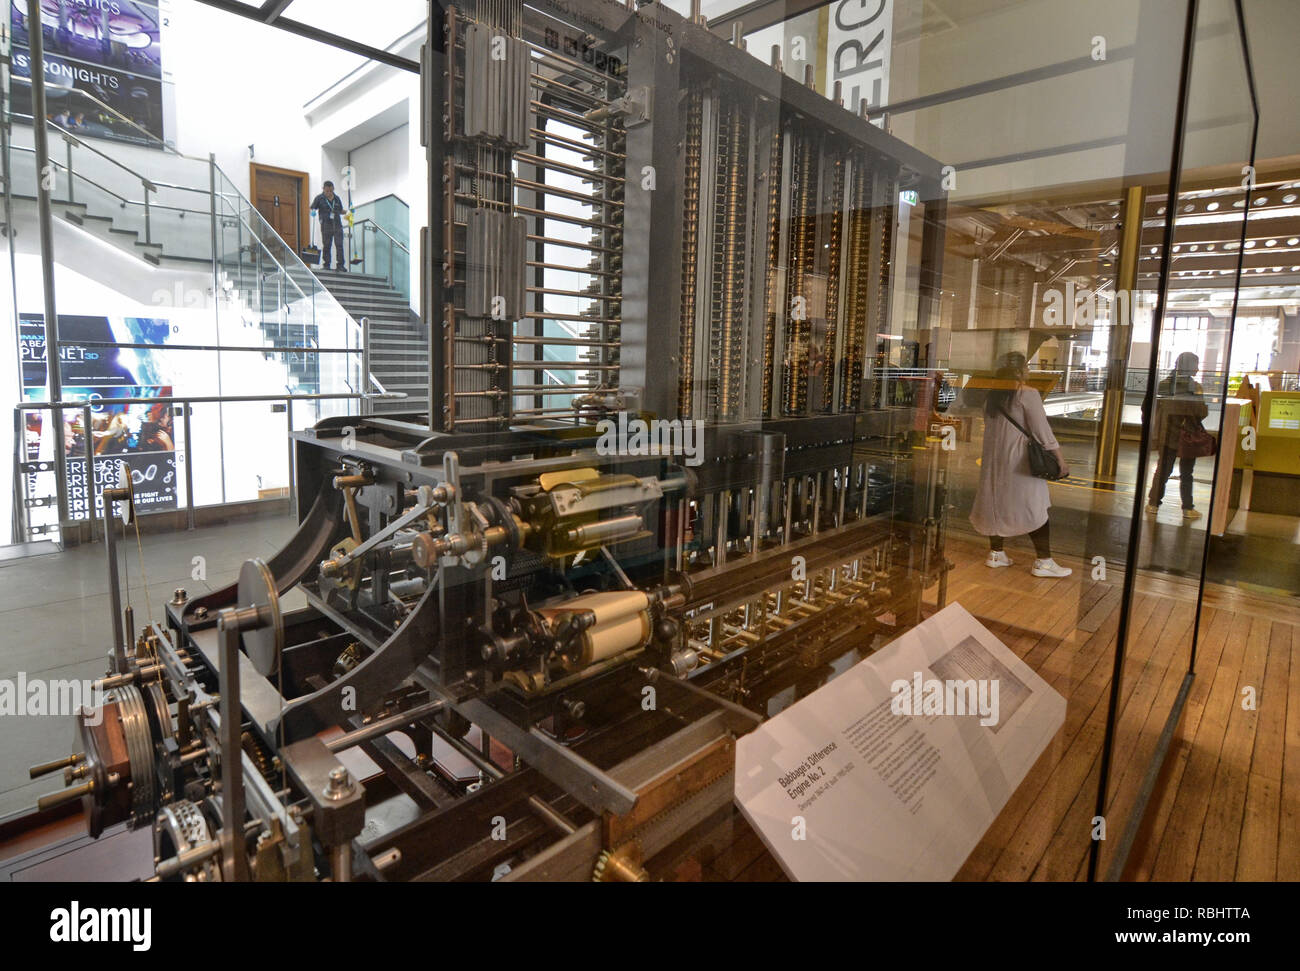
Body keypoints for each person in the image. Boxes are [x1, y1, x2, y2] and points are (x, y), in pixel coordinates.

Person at [969, 352, 1073, 578]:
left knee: (995, 502)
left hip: (994, 461)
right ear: (1018, 371)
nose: (1028, 370)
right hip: (1020, 461)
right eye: (1026, 366)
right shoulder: (1027, 394)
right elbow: (1041, 431)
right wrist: (1059, 459)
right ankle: (1044, 561)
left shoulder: (992, 397)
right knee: (1034, 506)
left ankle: (996, 554)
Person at [1144, 351, 1209, 520]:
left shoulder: (1164, 385)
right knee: (1187, 473)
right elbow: (1201, 412)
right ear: (1190, 367)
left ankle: (1153, 504)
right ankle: (1188, 508)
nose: (1198, 368)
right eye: (1196, 364)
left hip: (1168, 434)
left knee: (1163, 470)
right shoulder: (1194, 387)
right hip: (1189, 436)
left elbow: (1147, 407)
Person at [311, 180, 346, 271]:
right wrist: (313, 211)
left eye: (331, 191)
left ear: (333, 189)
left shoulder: (337, 198)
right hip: (326, 225)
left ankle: (340, 265)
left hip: (337, 225)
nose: (329, 193)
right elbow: (312, 207)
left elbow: (340, 210)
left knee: (339, 245)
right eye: (327, 191)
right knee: (327, 245)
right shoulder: (319, 198)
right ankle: (326, 265)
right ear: (323, 189)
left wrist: (348, 212)